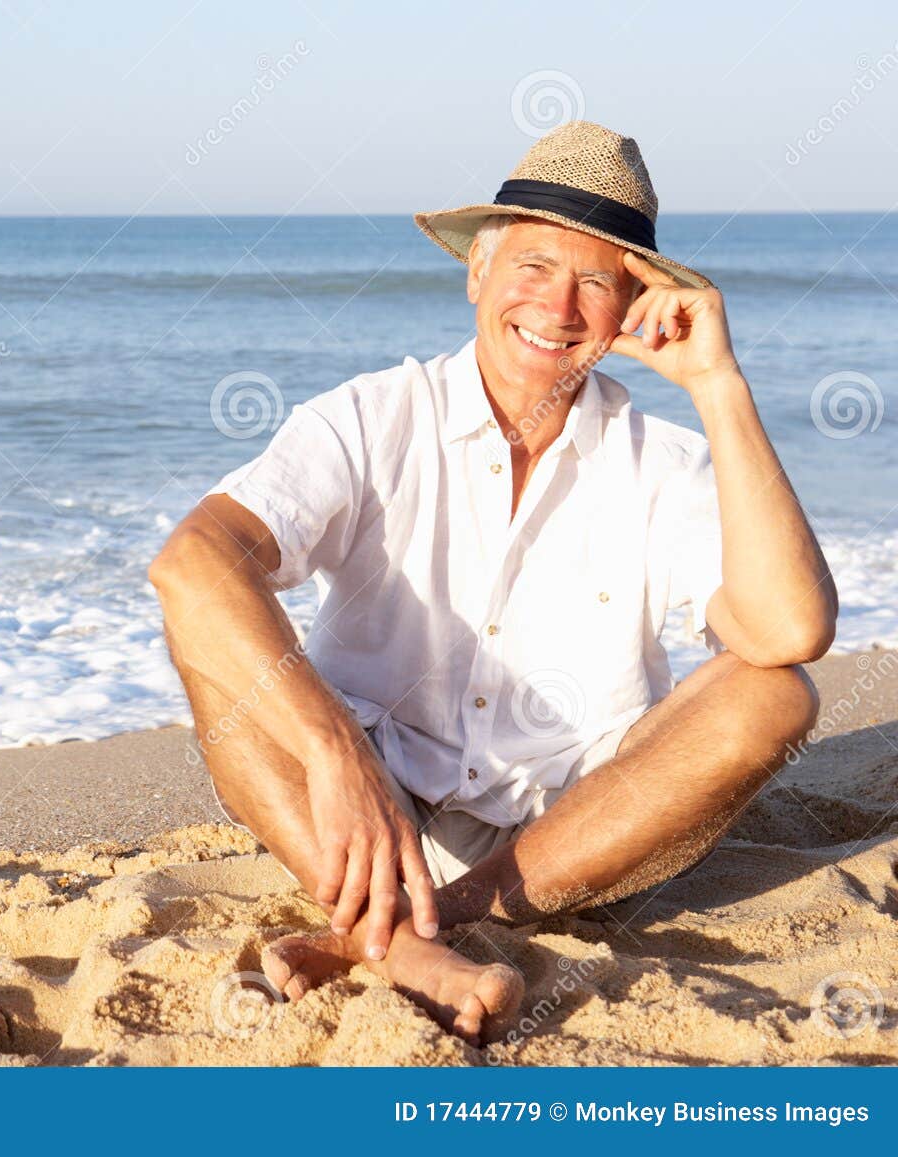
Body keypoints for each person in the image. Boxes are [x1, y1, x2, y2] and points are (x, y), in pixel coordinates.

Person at [148, 121, 836, 1045]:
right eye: (534, 265)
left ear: (632, 306)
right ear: (478, 269)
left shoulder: (661, 464)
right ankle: (409, 939)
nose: (558, 306)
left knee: (775, 694)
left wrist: (717, 384)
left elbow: (790, 630)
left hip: (566, 839)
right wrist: (336, 753)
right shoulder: (372, 416)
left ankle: (412, 933)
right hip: (356, 815)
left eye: (597, 281)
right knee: (204, 621)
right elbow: (190, 559)